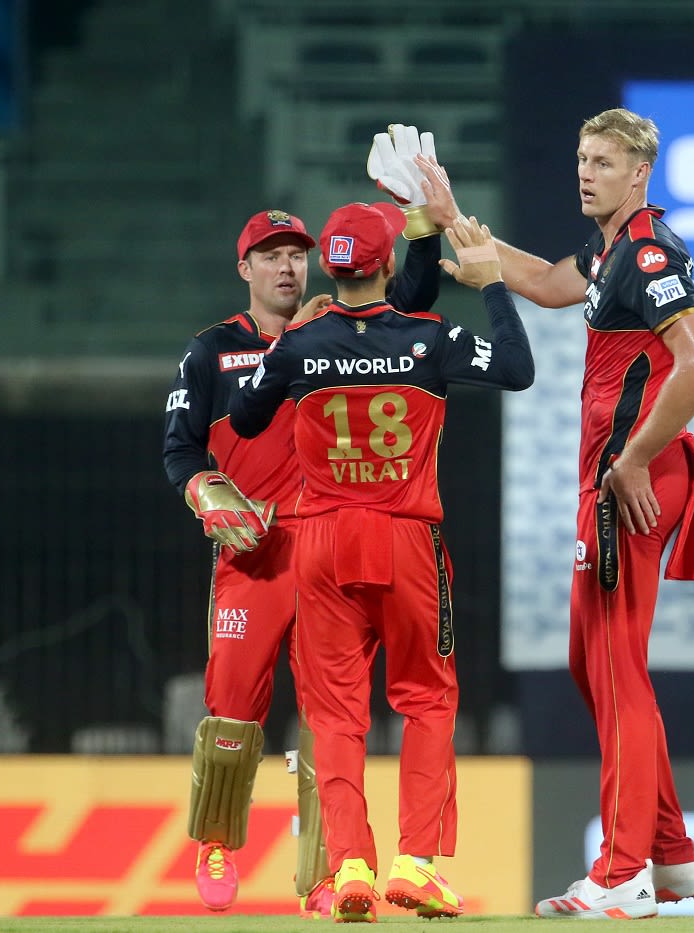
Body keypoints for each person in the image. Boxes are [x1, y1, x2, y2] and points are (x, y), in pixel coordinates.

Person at [430, 107, 694, 920]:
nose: (585, 172)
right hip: (615, 477)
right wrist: (455, 221)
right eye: (582, 158)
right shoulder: (609, 250)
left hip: (633, 478)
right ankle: (670, 852)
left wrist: (629, 459)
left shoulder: (652, 252)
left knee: (616, 664)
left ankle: (623, 870)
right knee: (594, 659)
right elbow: (552, 284)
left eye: (602, 161)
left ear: (640, 173)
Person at [162, 159, 458, 917]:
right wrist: (209, 495)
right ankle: (218, 838)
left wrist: (420, 228)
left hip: (328, 540)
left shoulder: (333, 330)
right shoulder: (210, 351)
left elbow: (417, 305)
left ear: (315, 259)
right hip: (254, 547)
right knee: (233, 700)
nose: (286, 265)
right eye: (270, 255)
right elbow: (180, 449)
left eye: (296, 252)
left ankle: (331, 874)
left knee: (333, 711)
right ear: (245, 268)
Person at [228, 205, 534, 923]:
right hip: (405, 535)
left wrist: (296, 361)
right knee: (426, 698)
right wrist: (491, 284)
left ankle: (352, 868)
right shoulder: (430, 340)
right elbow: (517, 369)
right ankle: (416, 863)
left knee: (333, 711)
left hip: (324, 537)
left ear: (330, 268)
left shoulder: (301, 342)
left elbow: (243, 420)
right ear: (388, 266)